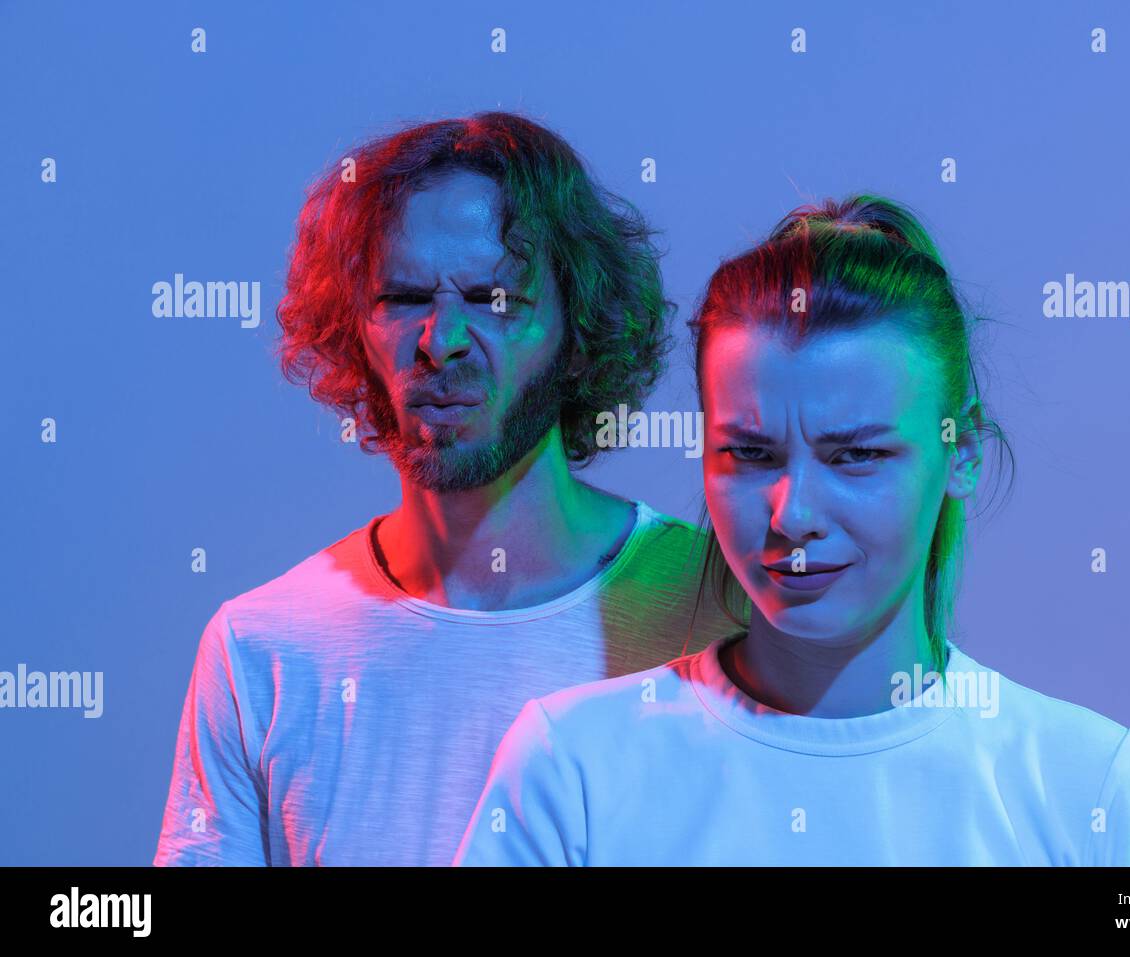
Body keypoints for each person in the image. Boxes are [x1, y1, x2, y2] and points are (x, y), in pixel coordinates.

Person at [453, 194, 1130, 866]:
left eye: (856, 456)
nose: (792, 514)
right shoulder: (573, 772)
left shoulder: (1092, 786)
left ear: (961, 451)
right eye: (750, 454)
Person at [152, 112, 737, 866]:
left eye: (493, 300)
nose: (442, 339)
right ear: (354, 326)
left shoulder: (718, 608)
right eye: (404, 298)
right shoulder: (261, 649)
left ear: (579, 328)